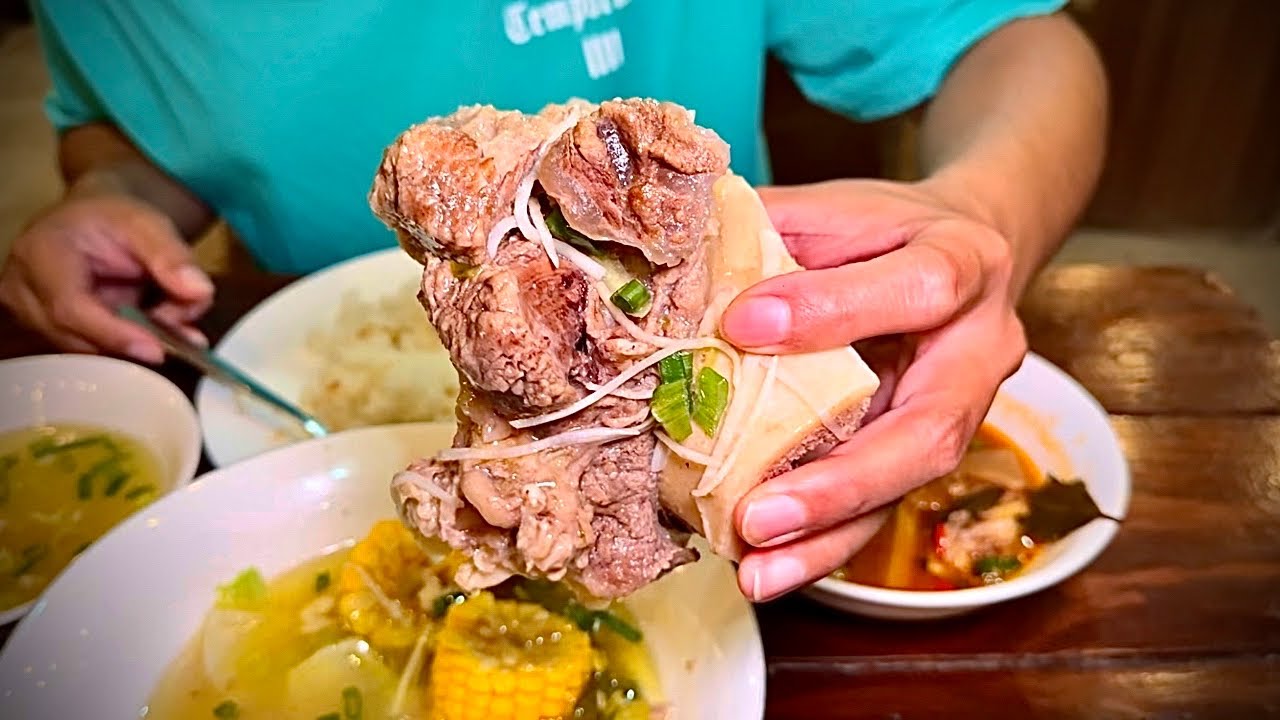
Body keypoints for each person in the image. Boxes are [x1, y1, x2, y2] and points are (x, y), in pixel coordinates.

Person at [0, 1, 1106, 602]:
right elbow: (126, 117)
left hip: (727, 394)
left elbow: (1017, 40)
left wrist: (976, 208)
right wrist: (112, 189)